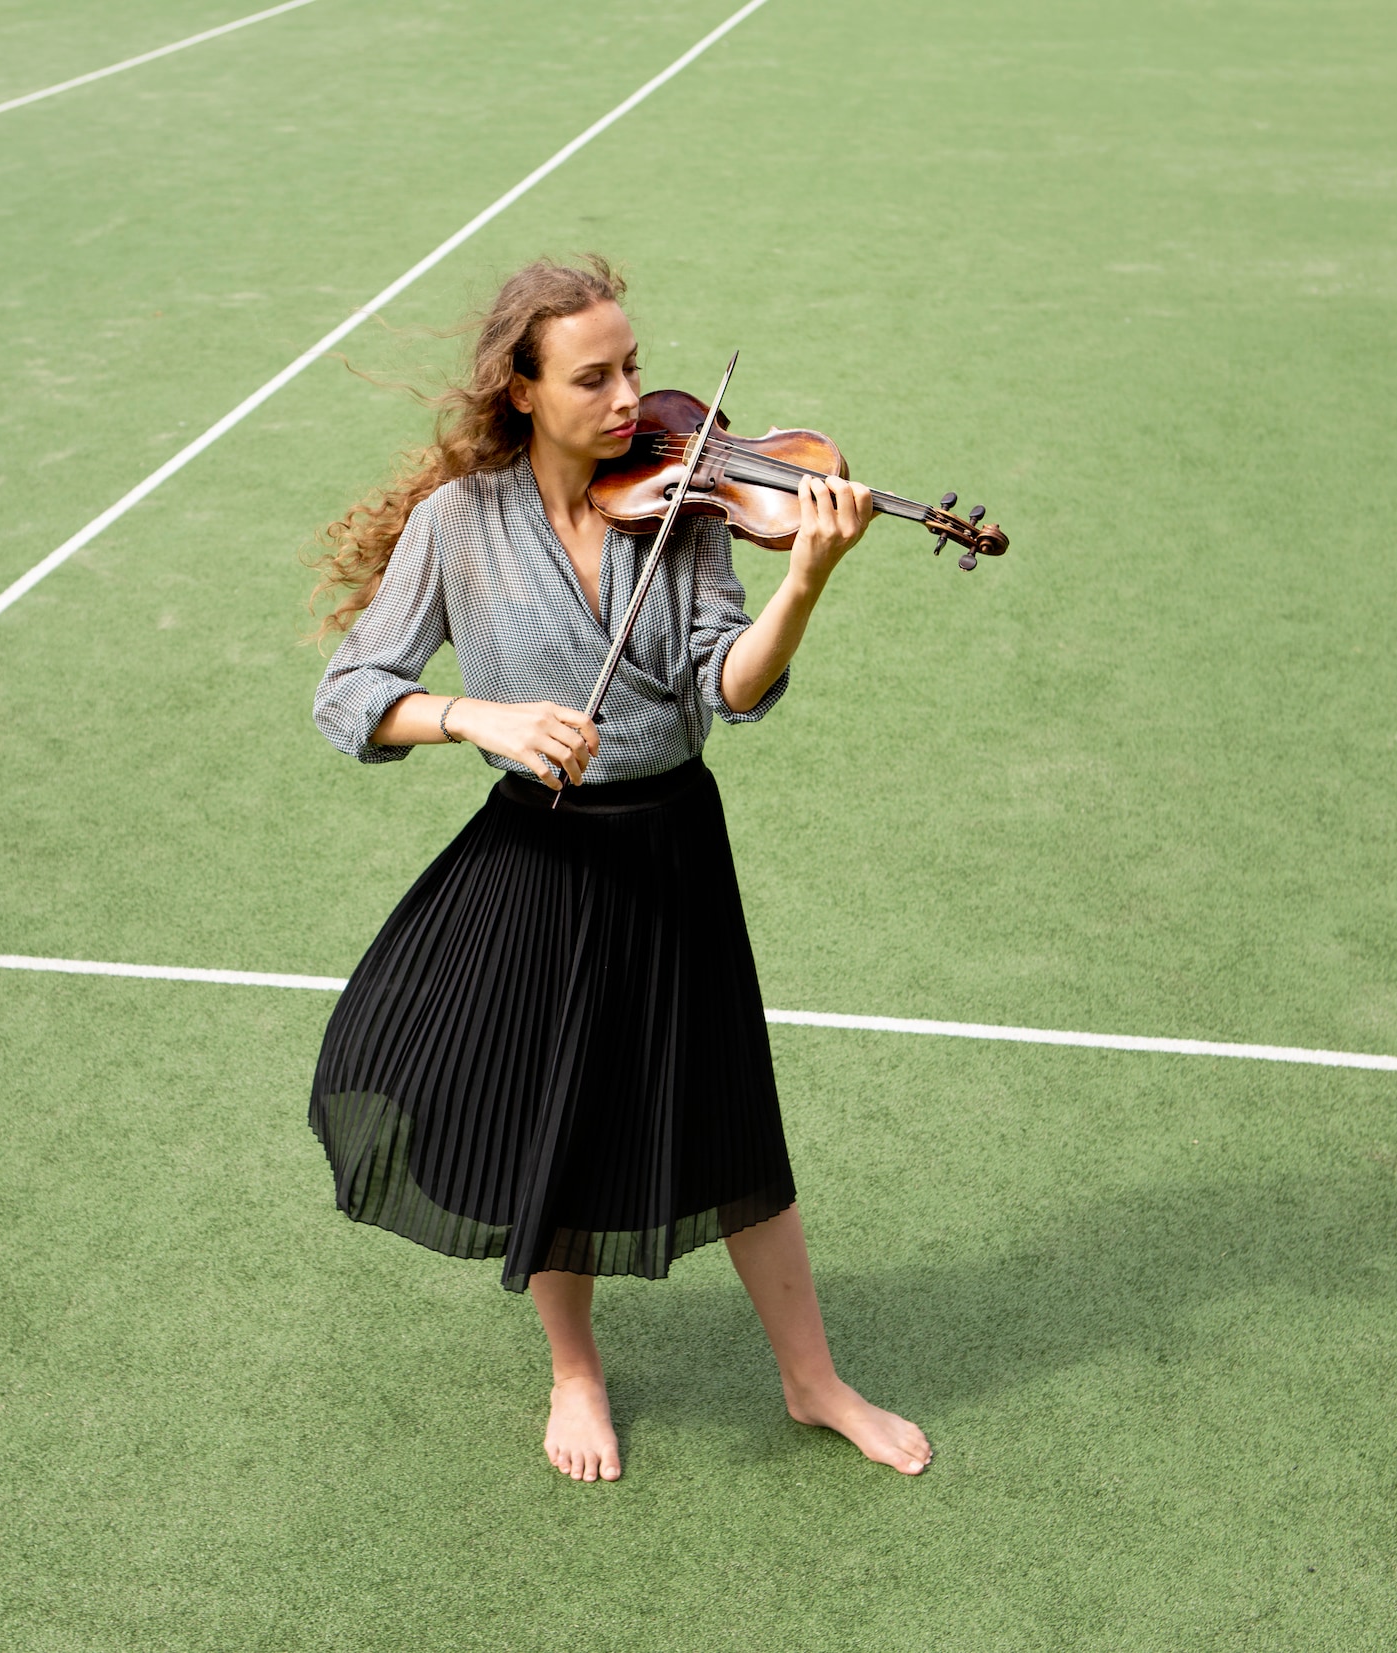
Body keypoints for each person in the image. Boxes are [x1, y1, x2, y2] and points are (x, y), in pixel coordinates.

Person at [307, 256, 931, 1483]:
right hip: (537, 852)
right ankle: (575, 1369)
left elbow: (726, 688)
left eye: (631, 367)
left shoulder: (688, 512)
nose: (630, 400)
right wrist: (477, 719)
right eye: (592, 376)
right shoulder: (458, 527)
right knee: (552, 1117)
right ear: (522, 390)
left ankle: (812, 1382)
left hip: (672, 844)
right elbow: (347, 700)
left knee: (731, 1114)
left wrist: (802, 581)